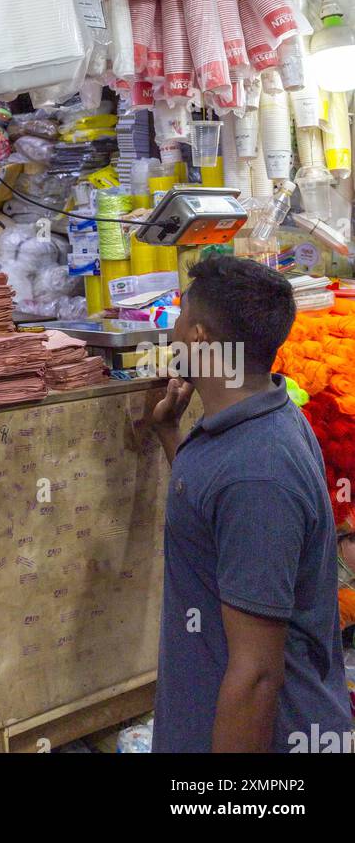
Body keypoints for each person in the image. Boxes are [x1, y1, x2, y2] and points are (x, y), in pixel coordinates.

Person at [146, 254, 352, 753]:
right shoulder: (260, 414)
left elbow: (258, 674)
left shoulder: (258, 472)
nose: (171, 332)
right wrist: (168, 432)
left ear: (199, 338)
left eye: (178, 317)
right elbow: (215, 522)